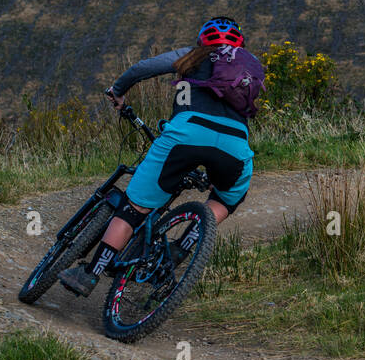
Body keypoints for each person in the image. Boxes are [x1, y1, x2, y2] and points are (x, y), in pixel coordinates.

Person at [58, 16, 263, 297]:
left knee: (135, 206)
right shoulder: (250, 65)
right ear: (239, 41)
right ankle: (185, 246)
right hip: (235, 144)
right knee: (227, 198)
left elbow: (143, 68)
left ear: (203, 38)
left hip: (185, 135)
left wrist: (118, 92)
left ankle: (91, 273)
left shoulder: (191, 55)